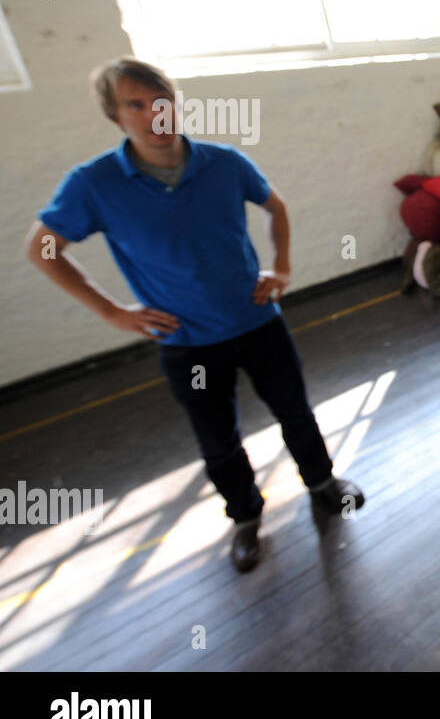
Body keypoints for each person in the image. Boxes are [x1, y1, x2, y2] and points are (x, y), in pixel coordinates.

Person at [24, 57, 364, 572]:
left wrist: (282, 268)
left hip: (258, 321)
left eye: (163, 101)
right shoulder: (94, 184)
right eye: (136, 105)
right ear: (115, 116)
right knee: (218, 438)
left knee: (295, 410)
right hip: (188, 343)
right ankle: (246, 518)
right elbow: (42, 248)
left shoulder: (223, 163)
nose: (154, 114)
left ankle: (322, 483)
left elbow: (275, 206)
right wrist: (112, 312)